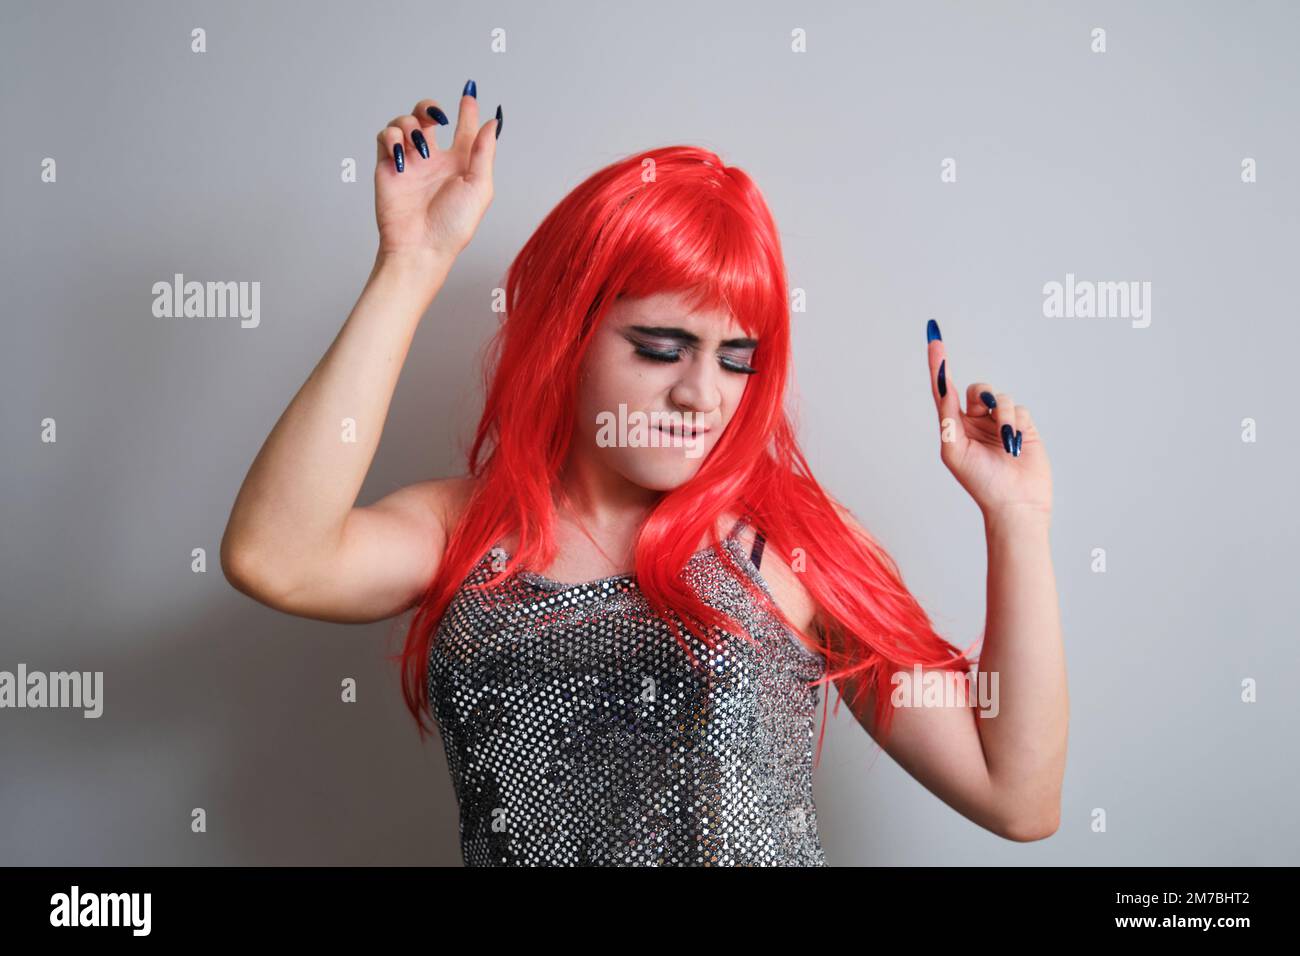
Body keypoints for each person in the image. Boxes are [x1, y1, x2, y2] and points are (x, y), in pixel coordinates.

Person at [220, 80, 1067, 865]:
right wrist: (410, 264)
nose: (700, 392)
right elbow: (275, 557)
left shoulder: (790, 544)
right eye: (661, 347)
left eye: (737, 359)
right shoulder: (464, 532)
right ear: (568, 334)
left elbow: (1017, 797)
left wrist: (1017, 523)